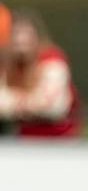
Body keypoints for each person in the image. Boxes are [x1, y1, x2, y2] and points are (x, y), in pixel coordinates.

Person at [0, 9, 82, 137]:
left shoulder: (53, 61)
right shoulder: (6, 62)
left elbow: (54, 107)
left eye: (26, 35)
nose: (20, 41)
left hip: (60, 137)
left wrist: (17, 104)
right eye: (15, 34)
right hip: (23, 137)